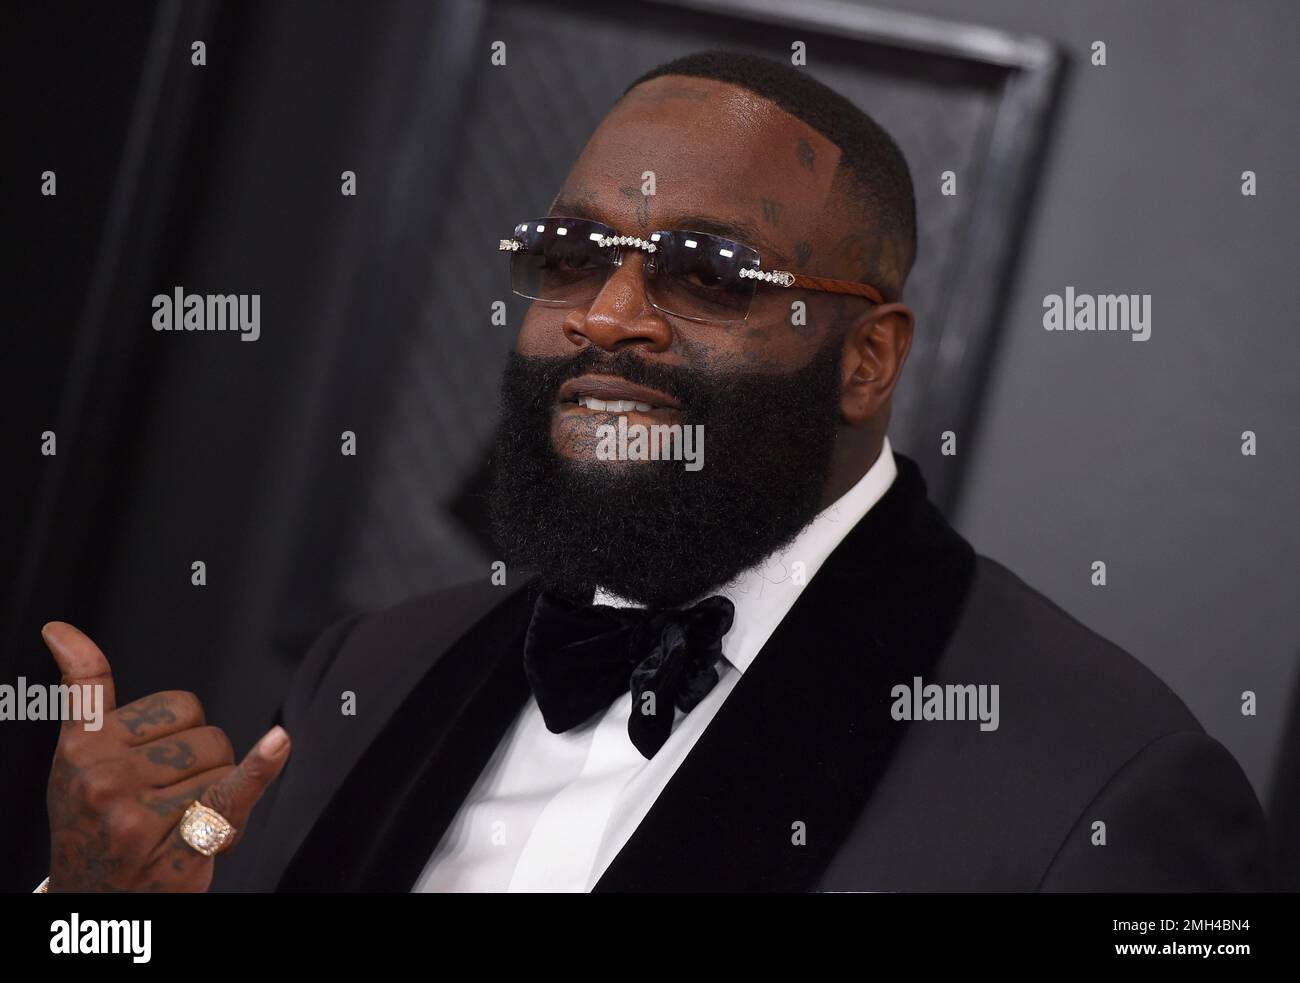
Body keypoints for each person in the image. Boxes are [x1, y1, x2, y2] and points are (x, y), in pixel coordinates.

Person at [39, 49, 1268, 893]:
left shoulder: (1105, 785)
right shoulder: (370, 669)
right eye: (572, 256)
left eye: (708, 273)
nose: (606, 315)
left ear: (865, 360)